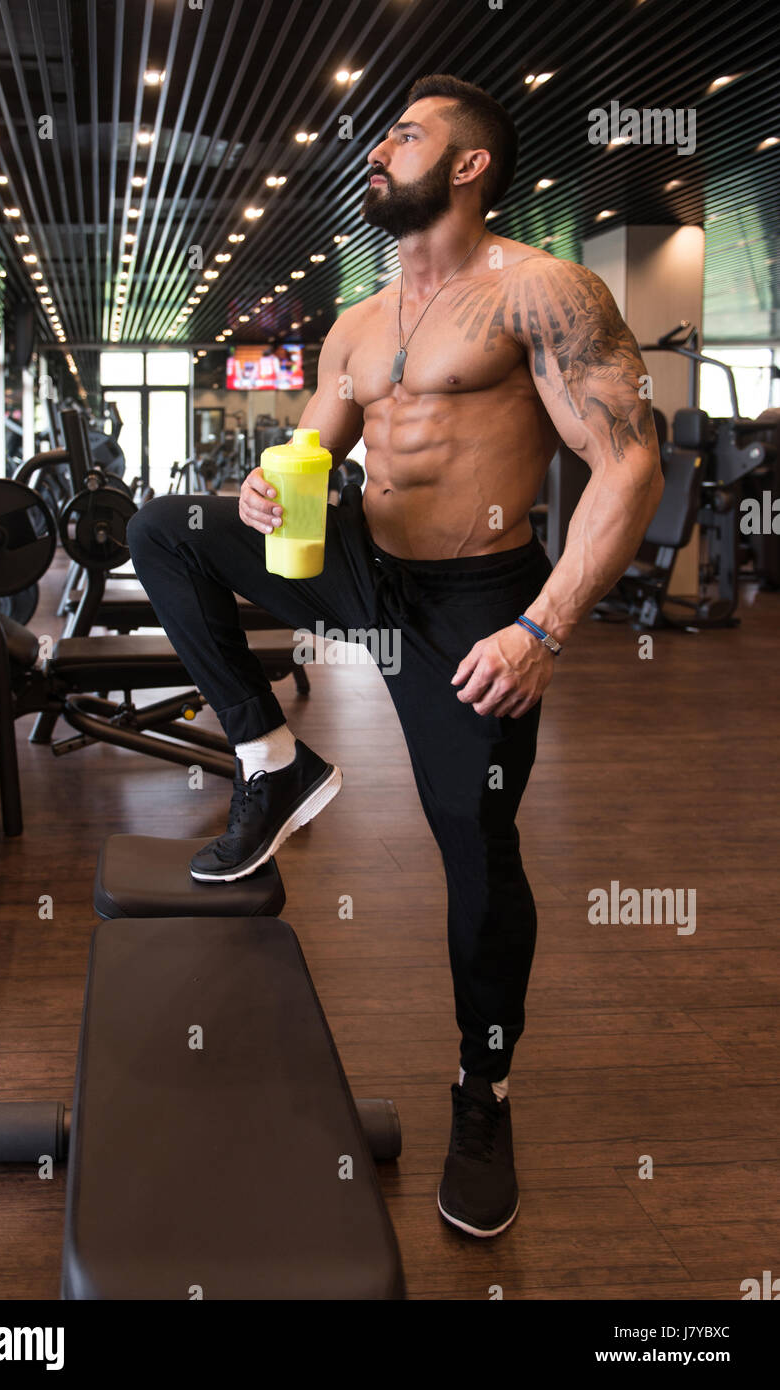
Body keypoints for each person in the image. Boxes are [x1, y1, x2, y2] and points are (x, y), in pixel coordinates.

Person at [127, 72, 663, 1240]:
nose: (378, 152)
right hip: (364, 565)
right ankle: (275, 761)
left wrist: (544, 629)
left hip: (482, 603)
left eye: (405, 135)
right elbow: (319, 444)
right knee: (166, 526)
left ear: (470, 165)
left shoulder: (542, 291)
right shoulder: (361, 323)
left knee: (476, 843)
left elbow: (629, 469)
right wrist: (273, 486)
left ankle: (485, 1091)